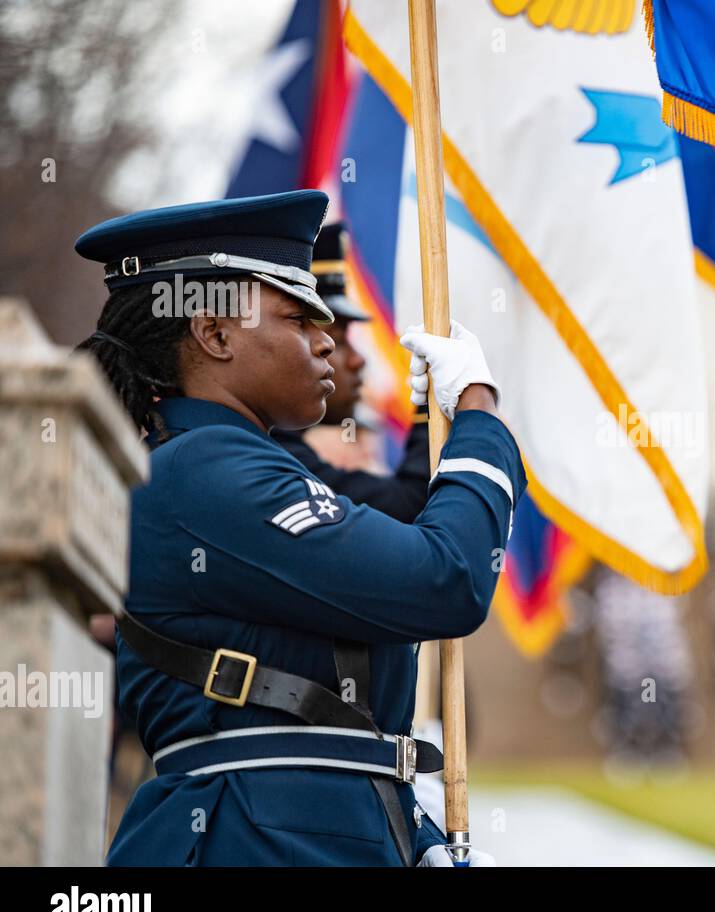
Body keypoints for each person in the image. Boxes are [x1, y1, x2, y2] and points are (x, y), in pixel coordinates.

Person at [75, 189, 521, 866]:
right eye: (298, 317)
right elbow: (447, 579)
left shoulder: (229, 463)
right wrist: (481, 416)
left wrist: (417, 839)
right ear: (215, 333)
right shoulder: (205, 470)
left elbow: (340, 719)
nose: (325, 341)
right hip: (250, 840)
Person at [273, 223, 432, 522]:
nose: (358, 360)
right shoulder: (275, 452)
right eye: (337, 339)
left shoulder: (279, 444)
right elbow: (409, 507)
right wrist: (438, 405)